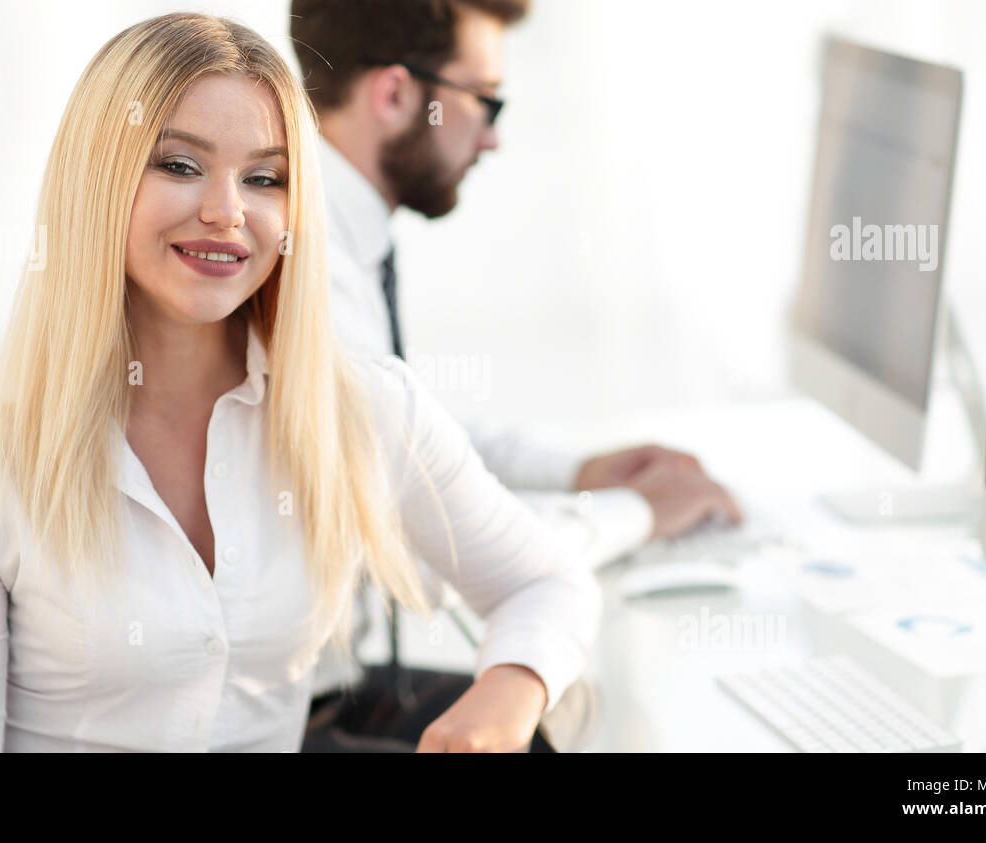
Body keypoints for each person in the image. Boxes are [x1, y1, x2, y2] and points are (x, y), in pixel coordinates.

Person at [0, 12, 598, 753]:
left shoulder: (360, 407)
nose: (228, 211)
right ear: (96, 179)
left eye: (265, 178)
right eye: (180, 165)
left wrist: (507, 693)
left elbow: (548, 582)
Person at [289, 0, 742, 750]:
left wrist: (577, 470)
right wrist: (635, 510)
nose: (493, 136)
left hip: (335, 685)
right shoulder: (308, 270)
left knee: (574, 700)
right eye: (484, 99)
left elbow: (408, 434)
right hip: (293, 718)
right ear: (396, 94)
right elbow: (423, 541)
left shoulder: (333, 231)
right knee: (598, 709)